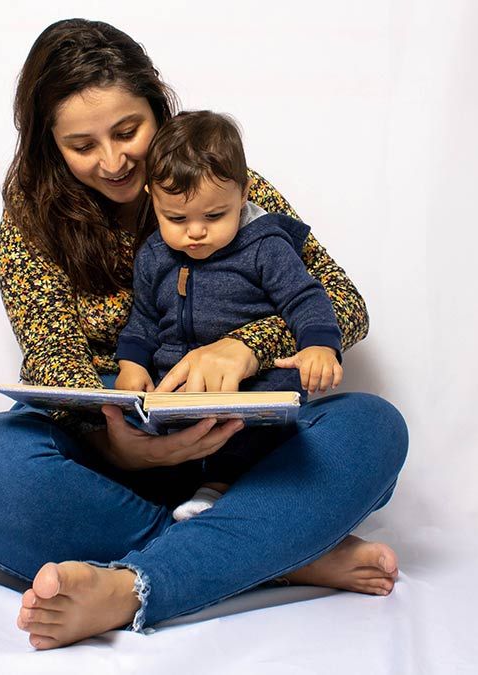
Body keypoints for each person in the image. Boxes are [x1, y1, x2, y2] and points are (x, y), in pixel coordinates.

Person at [0, 18, 409, 650]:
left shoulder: (218, 179)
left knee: (371, 430)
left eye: (128, 130)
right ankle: (274, 550)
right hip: (119, 460)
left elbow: (341, 304)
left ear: (157, 102)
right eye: (82, 145)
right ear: (51, 143)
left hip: (245, 442)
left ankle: (146, 580)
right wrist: (116, 444)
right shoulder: (31, 213)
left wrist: (245, 346)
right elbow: (49, 351)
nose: (112, 160)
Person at [115, 110, 346, 522]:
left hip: (248, 388)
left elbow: (305, 297)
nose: (196, 232)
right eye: (177, 218)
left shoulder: (264, 246)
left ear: (242, 195)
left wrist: (319, 346)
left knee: (274, 395)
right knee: (139, 419)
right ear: (152, 197)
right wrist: (131, 365)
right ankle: (177, 494)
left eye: (214, 216)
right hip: (181, 391)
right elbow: (144, 320)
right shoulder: (154, 256)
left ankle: (219, 490)